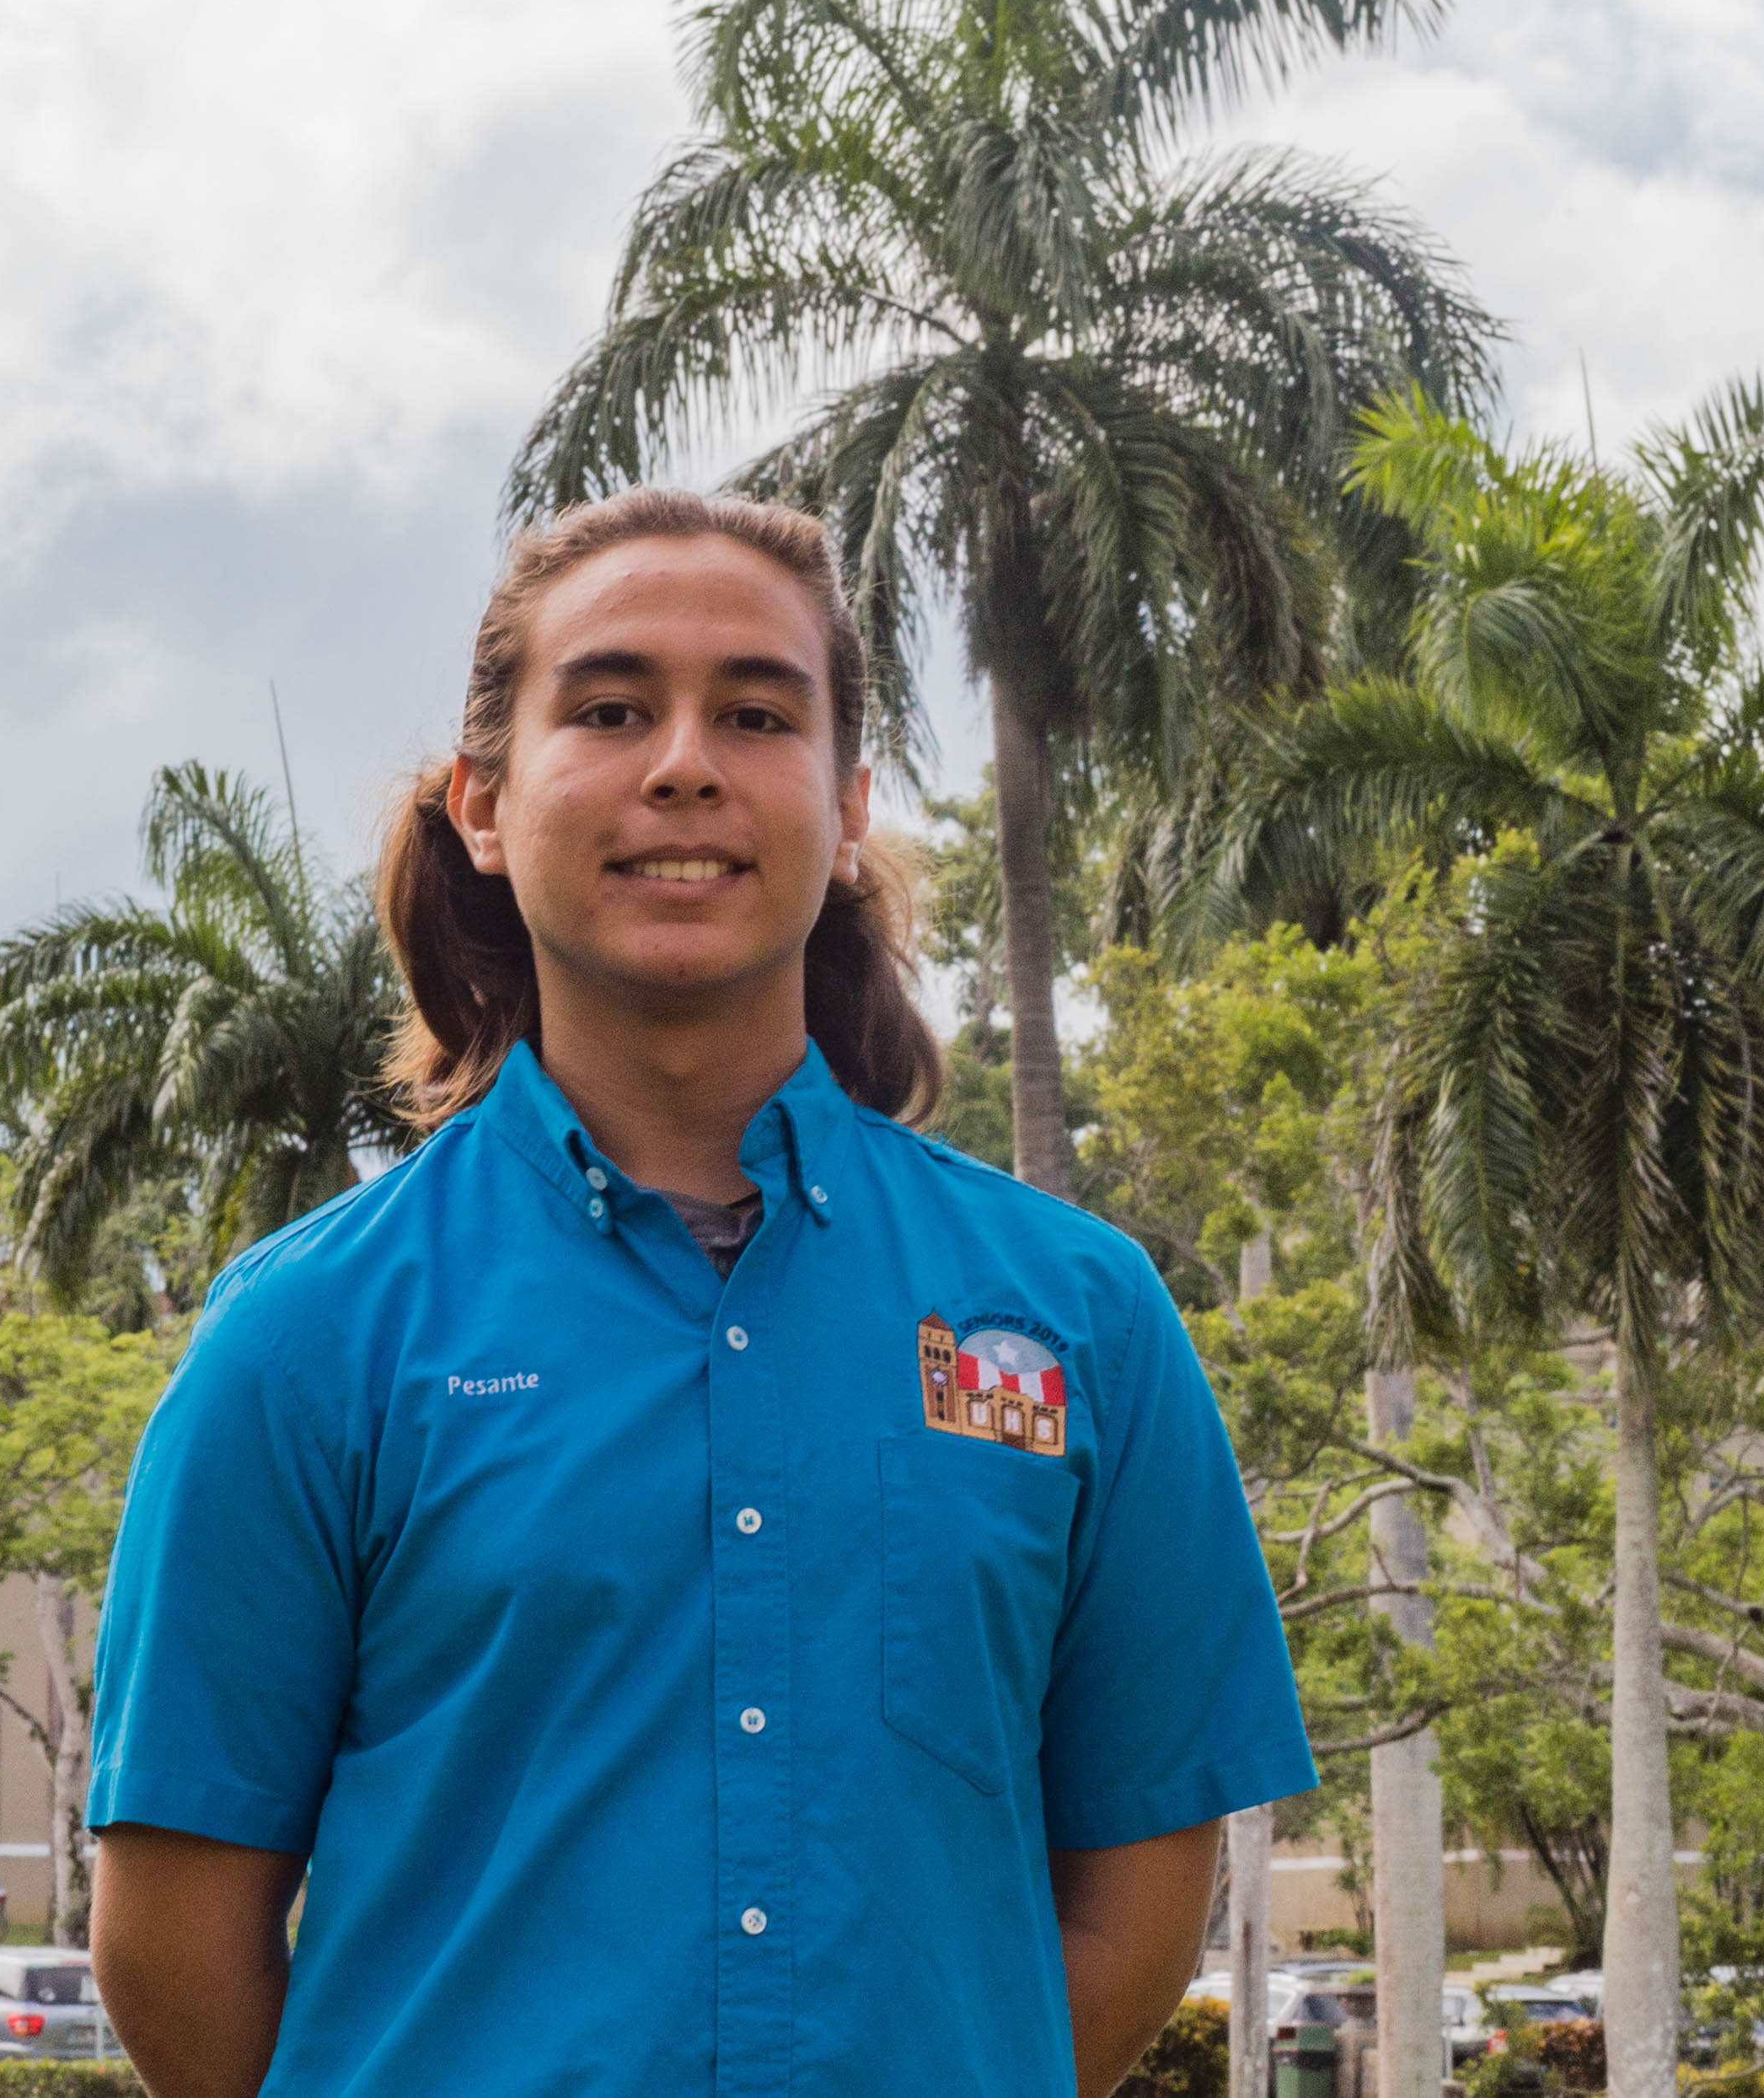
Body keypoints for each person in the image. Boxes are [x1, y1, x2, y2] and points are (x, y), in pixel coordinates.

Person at [83, 489, 1314, 2098]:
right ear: (480, 800)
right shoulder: (306, 1334)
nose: (683, 762)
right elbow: (174, 1938)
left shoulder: (1078, 1317)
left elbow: (1135, 1896)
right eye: (607, 709)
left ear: (848, 801)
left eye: (753, 711)